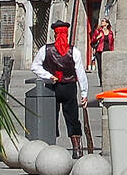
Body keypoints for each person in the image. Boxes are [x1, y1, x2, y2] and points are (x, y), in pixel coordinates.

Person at [32, 20, 89, 156]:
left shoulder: (45, 49)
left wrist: (48, 76)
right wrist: (84, 93)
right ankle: (77, 149)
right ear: (66, 34)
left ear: (54, 34)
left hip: (52, 87)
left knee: (51, 116)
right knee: (72, 117)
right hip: (69, 87)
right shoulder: (73, 51)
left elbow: (35, 66)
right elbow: (80, 73)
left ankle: (51, 147)